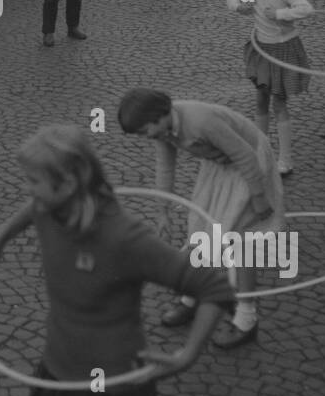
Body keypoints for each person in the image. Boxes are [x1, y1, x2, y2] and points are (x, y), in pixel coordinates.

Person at [0, 125, 234, 396]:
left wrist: (187, 356)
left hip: (111, 394)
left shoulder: (123, 238)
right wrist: (0, 236)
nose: (28, 190)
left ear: (69, 182)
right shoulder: (50, 208)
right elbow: (33, 209)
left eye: (34, 181)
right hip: (59, 374)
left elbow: (213, 287)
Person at [118, 89, 286, 349]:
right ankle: (193, 296)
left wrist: (259, 196)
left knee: (241, 241)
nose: (146, 137)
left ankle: (246, 318)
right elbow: (165, 167)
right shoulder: (163, 130)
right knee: (200, 231)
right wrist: (163, 212)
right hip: (219, 166)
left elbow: (245, 156)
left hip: (250, 166)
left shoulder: (201, 121)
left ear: (159, 116)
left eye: (144, 130)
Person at [224, 0, 313, 176]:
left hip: (283, 49)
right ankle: (261, 152)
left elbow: (306, 9)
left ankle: (285, 159)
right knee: (261, 99)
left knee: (279, 102)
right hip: (261, 49)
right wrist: (239, 7)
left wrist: (281, 14)